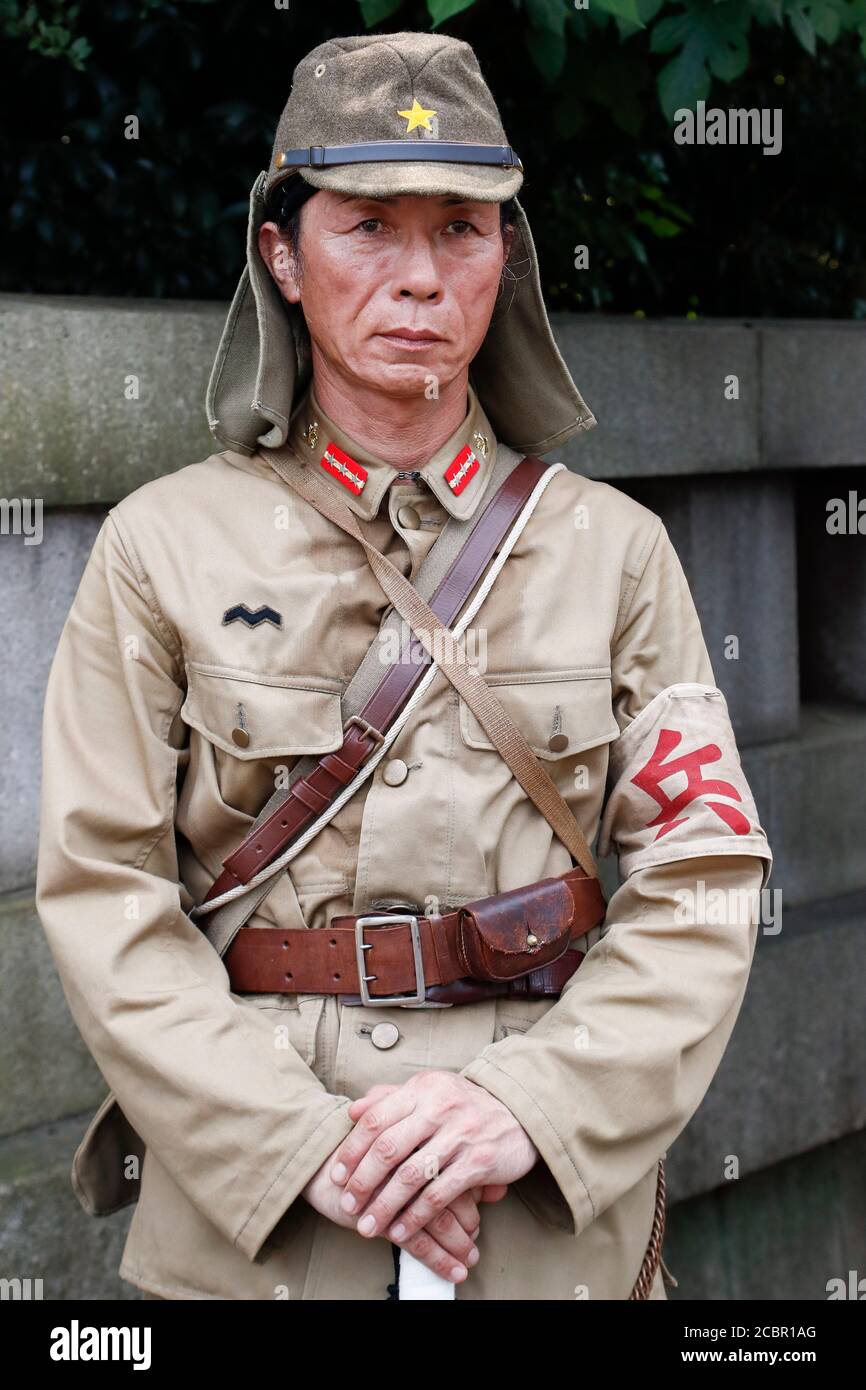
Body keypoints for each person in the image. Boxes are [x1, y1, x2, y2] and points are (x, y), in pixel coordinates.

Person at [35, 30, 772, 1301]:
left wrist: (530, 1109)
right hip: (264, 1229)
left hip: (539, 1225)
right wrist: (303, 1146)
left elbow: (701, 885)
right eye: (368, 226)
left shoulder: (613, 554)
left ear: (506, 256)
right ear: (282, 252)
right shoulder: (162, 548)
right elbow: (105, 895)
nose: (420, 279)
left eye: (460, 230)